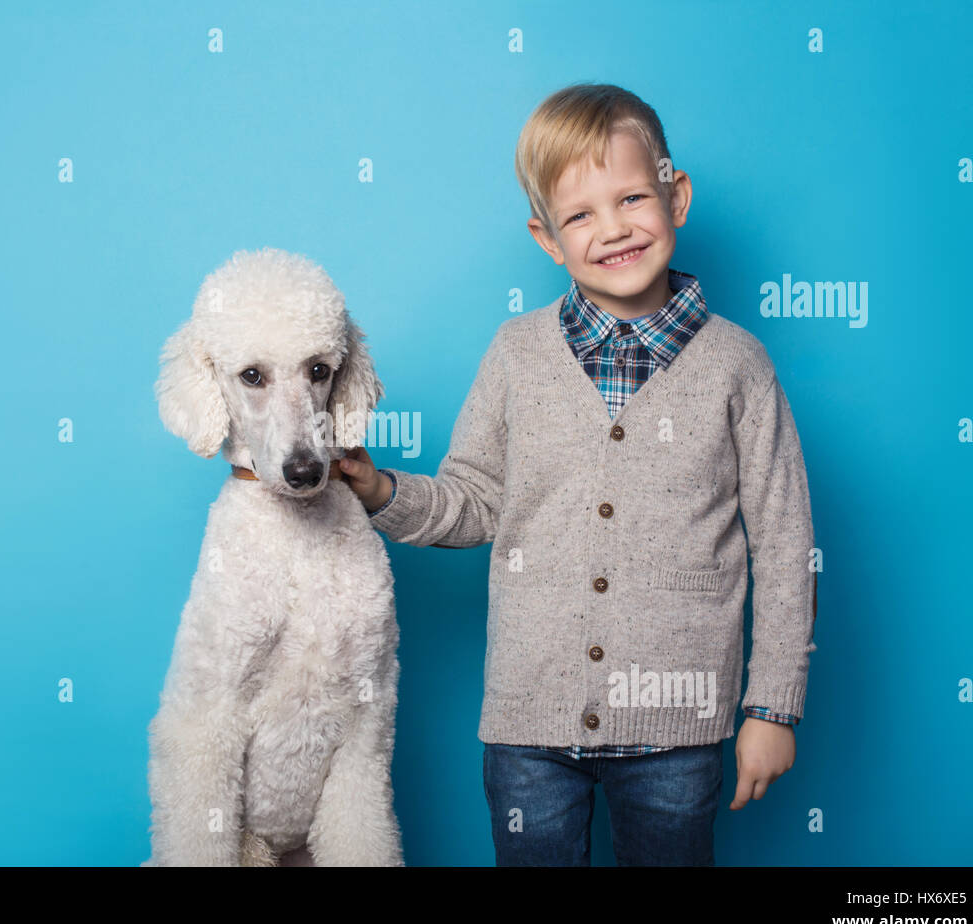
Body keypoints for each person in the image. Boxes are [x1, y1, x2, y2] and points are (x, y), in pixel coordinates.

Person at [339, 83, 817, 866]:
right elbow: (474, 501)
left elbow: (787, 543)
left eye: (633, 196)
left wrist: (772, 708)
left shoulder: (739, 366)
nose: (614, 228)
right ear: (548, 239)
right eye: (581, 215)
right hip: (530, 729)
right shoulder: (516, 353)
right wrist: (379, 491)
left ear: (678, 195)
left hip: (679, 729)